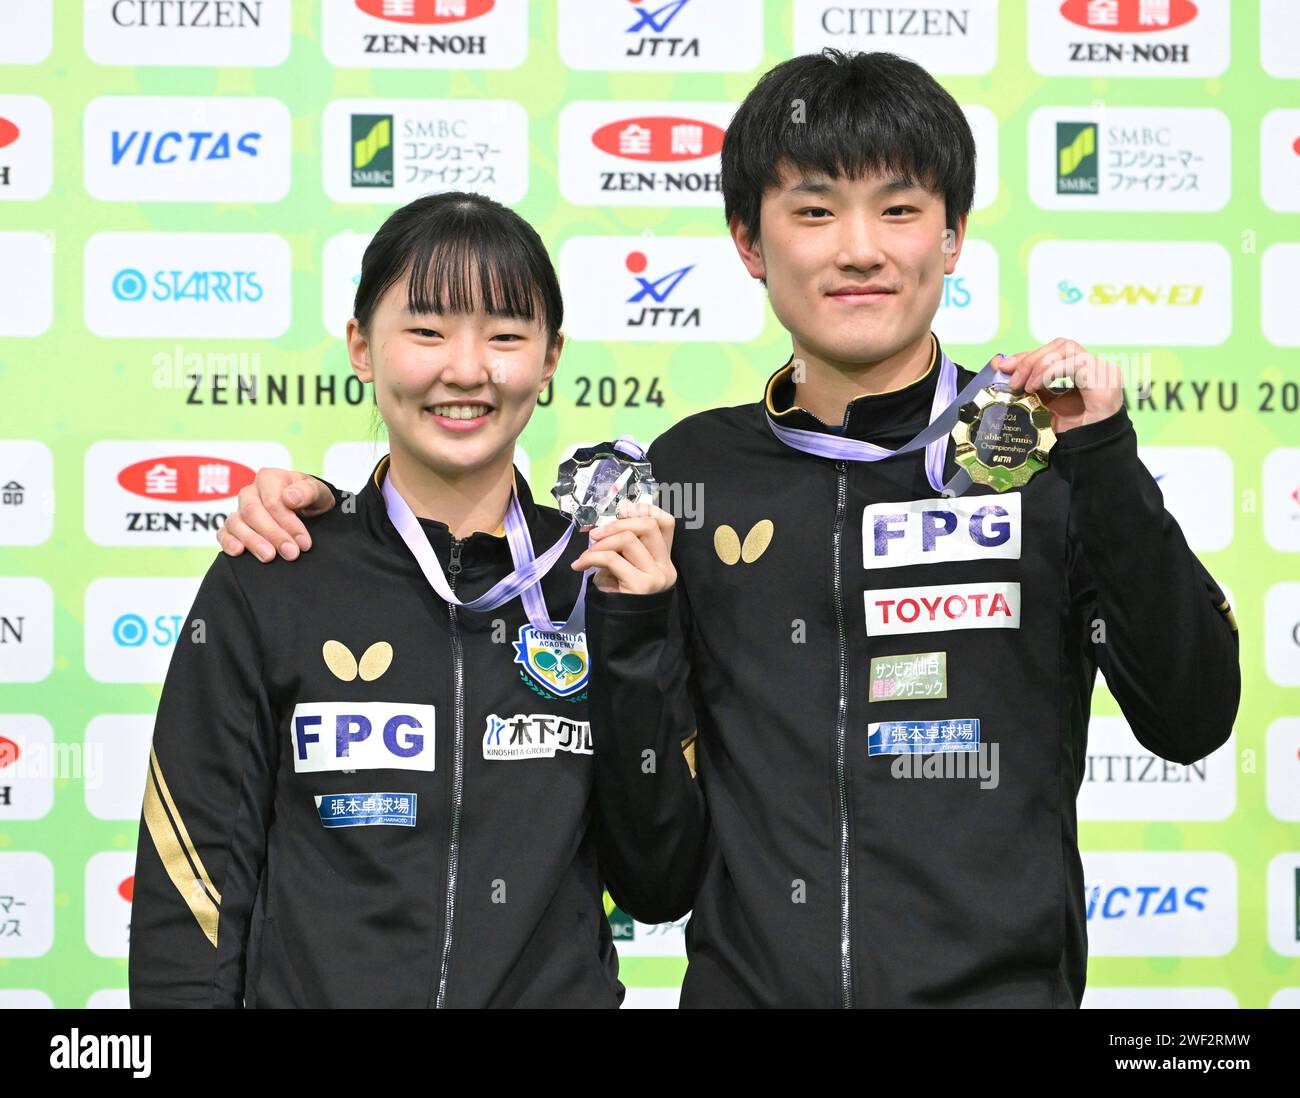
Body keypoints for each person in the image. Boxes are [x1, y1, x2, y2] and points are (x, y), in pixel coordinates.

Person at [218, 51, 1241, 1008]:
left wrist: (1102, 459)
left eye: (898, 209)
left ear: (951, 235)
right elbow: (638, 838)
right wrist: (333, 515)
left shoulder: (1043, 459)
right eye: (814, 210)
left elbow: (1189, 714)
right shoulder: (686, 478)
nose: (859, 249)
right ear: (750, 243)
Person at [129, 191, 674, 1009]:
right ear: (362, 347)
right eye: (425, 331)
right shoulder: (274, 571)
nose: (465, 368)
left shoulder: (600, 580)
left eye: (505, 334)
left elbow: (658, 883)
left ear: (551, 358)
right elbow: (193, 878)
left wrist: (634, 636)